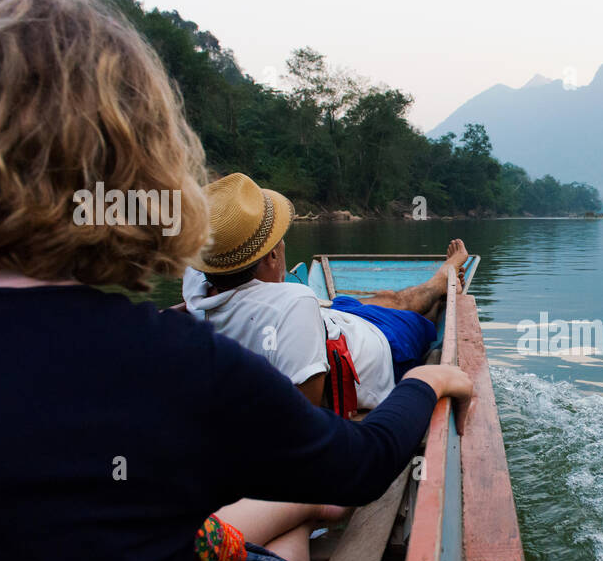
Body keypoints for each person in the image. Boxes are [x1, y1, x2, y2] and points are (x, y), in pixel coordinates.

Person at [0, 0, 473, 561]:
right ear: (135, 169)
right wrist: (423, 383)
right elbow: (358, 467)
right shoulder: (164, 362)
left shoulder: (185, 329)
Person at [182, 173, 468, 412]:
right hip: (379, 351)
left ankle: (437, 285)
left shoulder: (198, 285)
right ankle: (440, 286)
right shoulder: (293, 304)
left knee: (385, 301)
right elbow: (305, 417)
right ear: (270, 258)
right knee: (415, 314)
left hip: (332, 317)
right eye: (279, 243)